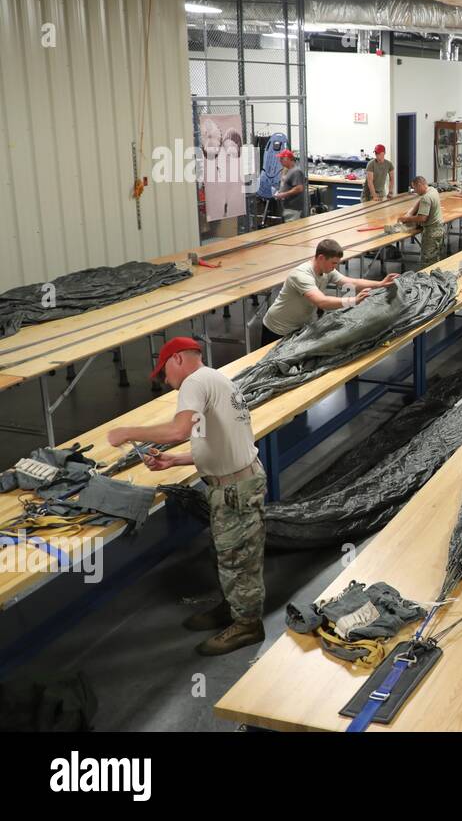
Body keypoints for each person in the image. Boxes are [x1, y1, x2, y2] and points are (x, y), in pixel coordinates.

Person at [105, 338, 266, 656]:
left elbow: (179, 431)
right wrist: (173, 461)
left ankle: (247, 626)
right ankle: (232, 608)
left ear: (177, 359)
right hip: (240, 481)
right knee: (230, 555)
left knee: (238, 559)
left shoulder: (194, 382)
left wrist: (128, 432)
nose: (166, 382)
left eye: (164, 373)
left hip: (234, 488)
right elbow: (219, 442)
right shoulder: (217, 381)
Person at [260, 238, 397, 347]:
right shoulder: (301, 275)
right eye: (333, 263)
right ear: (321, 258)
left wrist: (380, 284)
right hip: (277, 329)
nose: (335, 267)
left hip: (300, 327)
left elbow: (351, 282)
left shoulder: (327, 270)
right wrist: (352, 301)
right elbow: (321, 301)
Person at [398, 176, 445, 268]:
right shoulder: (432, 190)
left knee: (427, 261)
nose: (414, 190)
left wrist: (406, 219)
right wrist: (410, 213)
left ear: (419, 185)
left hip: (431, 232)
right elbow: (420, 201)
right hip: (439, 229)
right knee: (436, 257)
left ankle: (428, 279)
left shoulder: (426, 198)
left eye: (415, 188)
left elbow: (422, 218)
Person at [271, 148, 309, 221]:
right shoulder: (288, 171)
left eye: (282, 159)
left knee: (292, 229)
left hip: (293, 208)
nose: (280, 161)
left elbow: (299, 188)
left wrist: (283, 194)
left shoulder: (296, 171)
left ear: (288, 159)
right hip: (288, 207)